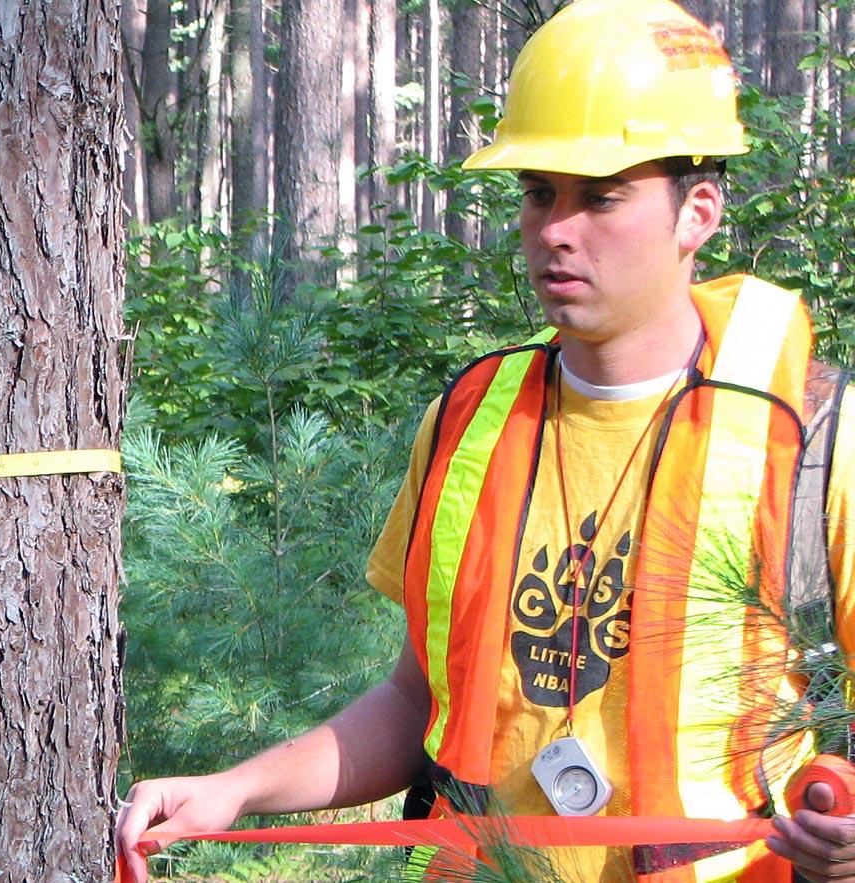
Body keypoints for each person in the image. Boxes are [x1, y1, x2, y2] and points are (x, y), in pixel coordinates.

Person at [116, 1, 855, 881]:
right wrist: (236, 787)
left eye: (600, 197)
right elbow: (414, 699)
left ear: (695, 210)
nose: (554, 231)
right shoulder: (473, 419)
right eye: (539, 193)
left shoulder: (809, 432)